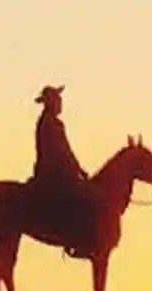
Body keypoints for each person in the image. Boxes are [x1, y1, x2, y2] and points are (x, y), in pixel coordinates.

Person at [27, 84, 95, 257]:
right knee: (79, 198)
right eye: (57, 100)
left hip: (56, 169)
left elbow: (66, 151)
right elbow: (62, 151)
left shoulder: (51, 122)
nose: (60, 104)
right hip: (54, 172)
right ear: (50, 103)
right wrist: (76, 170)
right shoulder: (50, 124)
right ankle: (75, 238)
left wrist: (79, 169)